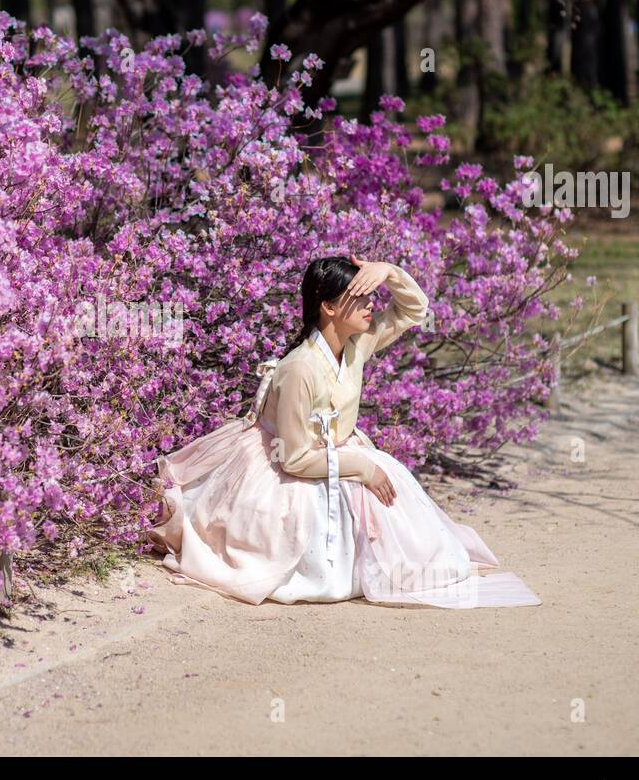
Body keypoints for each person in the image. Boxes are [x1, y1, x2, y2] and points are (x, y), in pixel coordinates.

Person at [148, 255, 541, 609]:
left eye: (370, 296)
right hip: (287, 466)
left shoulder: (356, 345)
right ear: (330, 306)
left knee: (423, 552)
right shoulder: (299, 368)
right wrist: (362, 469)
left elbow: (414, 310)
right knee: (318, 568)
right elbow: (294, 457)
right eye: (360, 297)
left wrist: (387, 271)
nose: (372, 304)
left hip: (336, 454)